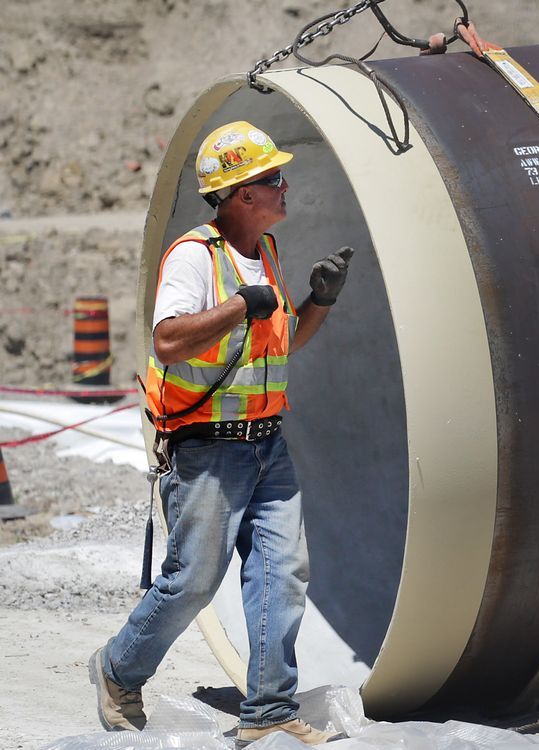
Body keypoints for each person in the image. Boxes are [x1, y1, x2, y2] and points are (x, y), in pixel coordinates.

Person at [89, 120, 352, 747]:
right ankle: (118, 669)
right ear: (240, 194)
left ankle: (268, 714)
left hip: (266, 444)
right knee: (193, 581)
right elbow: (168, 340)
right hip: (209, 450)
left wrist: (318, 301)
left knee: (281, 572)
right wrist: (241, 304)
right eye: (270, 178)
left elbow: (281, 342)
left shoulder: (266, 254)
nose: (284, 185)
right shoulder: (194, 257)